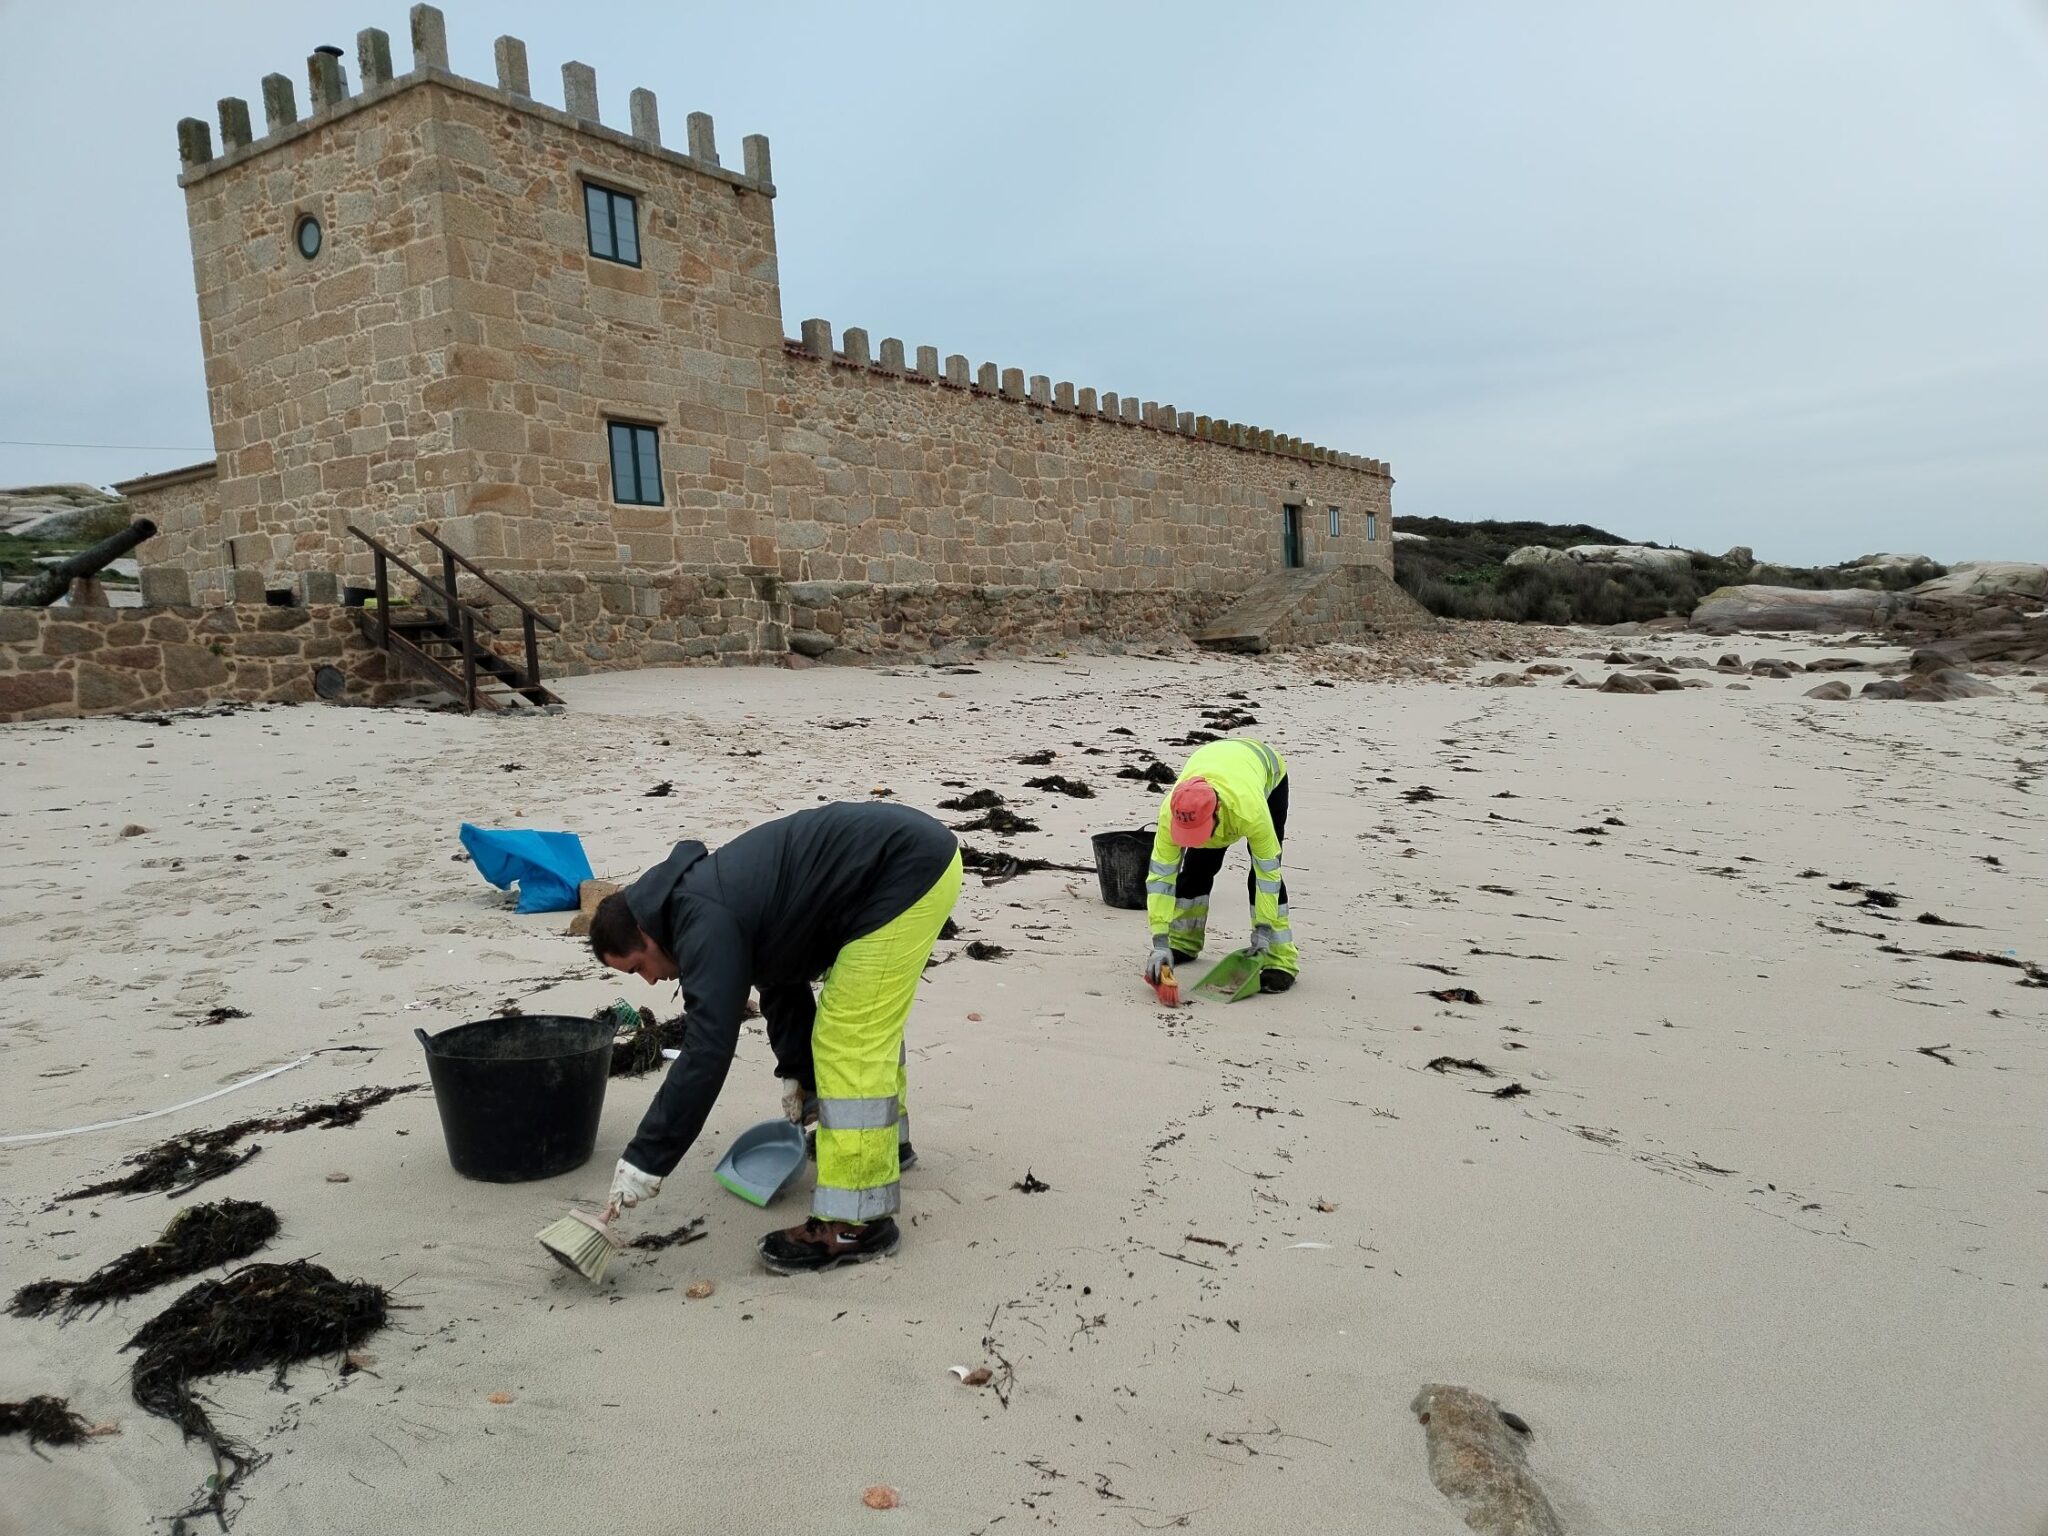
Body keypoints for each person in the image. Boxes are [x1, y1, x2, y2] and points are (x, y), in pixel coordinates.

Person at [587, 801, 961, 1274]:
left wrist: (644, 1160)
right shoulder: (698, 905)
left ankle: (856, 1223)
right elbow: (781, 980)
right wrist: (800, 1075)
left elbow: (706, 1051)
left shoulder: (703, 922)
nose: (648, 980)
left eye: (637, 966)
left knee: (851, 1036)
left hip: (904, 871)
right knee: (862, 1019)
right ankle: (886, 1148)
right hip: (905, 863)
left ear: (645, 933)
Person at [1143, 737, 1298, 992]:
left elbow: (1267, 875)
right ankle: (1183, 942)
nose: (1196, 840)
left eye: (1200, 832)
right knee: (1196, 869)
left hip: (1266, 773)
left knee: (1258, 877)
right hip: (1215, 761)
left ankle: (1281, 960)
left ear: (1216, 813)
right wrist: (1160, 942)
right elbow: (1161, 878)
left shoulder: (1250, 811)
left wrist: (1263, 930)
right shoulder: (1171, 813)